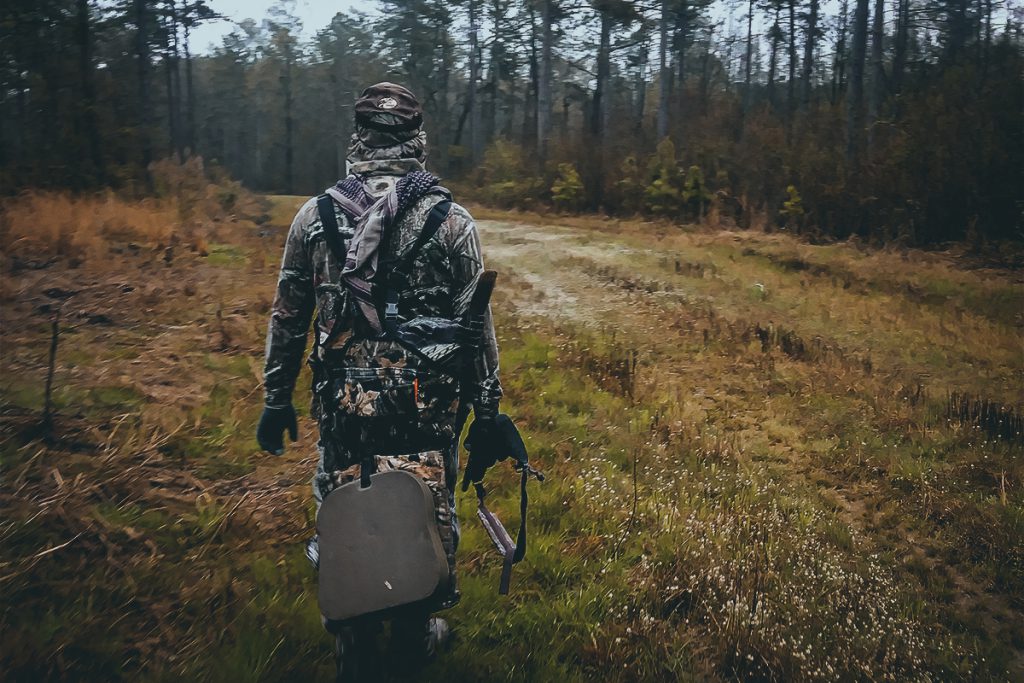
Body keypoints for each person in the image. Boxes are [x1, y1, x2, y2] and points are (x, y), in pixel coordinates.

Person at [255, 82, 504, 666]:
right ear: (418, 139)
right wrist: (488, 409)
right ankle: (414, 637)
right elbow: (476, 329)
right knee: (424, 507)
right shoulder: (451, 220)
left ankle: (354, 640)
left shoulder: (314, 217)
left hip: (344, 407)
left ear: (357, 137)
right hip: (427, 408)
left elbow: (288, 316)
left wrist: (276, 397)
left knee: (345, 501)